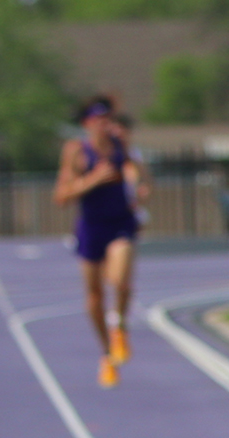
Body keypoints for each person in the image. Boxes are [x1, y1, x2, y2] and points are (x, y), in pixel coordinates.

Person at [54, 95, 146, 389]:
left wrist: (139, 186)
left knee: (119, 281)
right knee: (94, 296)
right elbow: (62, 196)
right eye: (99, 120)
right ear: (87, 124)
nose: (105, 125)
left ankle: (119, 326)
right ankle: (107, 355)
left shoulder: (122, 147)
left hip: (120, 223)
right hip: (91, 227)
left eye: (109, 119)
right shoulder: (76, 151)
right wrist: (93, 179)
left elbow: (142, 178)